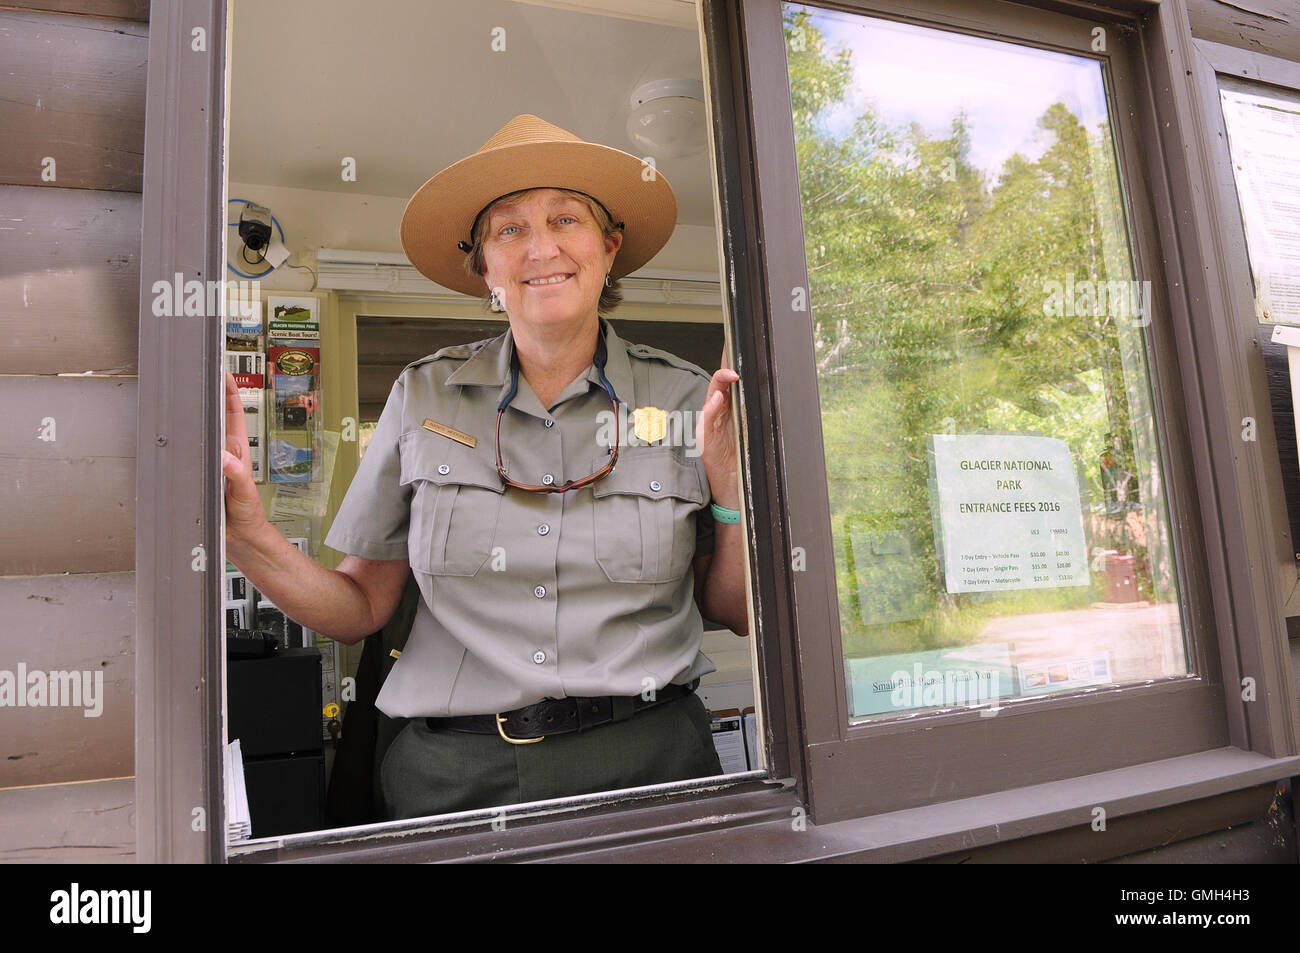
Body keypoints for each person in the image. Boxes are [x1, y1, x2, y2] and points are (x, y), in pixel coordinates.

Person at [222, 114, 747, 820]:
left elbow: (735, 610)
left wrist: (735, 493)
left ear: (609, 245)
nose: (541, 247)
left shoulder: (690, 399)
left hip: (652, 769)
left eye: (566, 218)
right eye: (508, 229)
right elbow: (358, 610)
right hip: (455, 786)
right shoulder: (422, 394)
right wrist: (246, 533)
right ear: (484, 268)